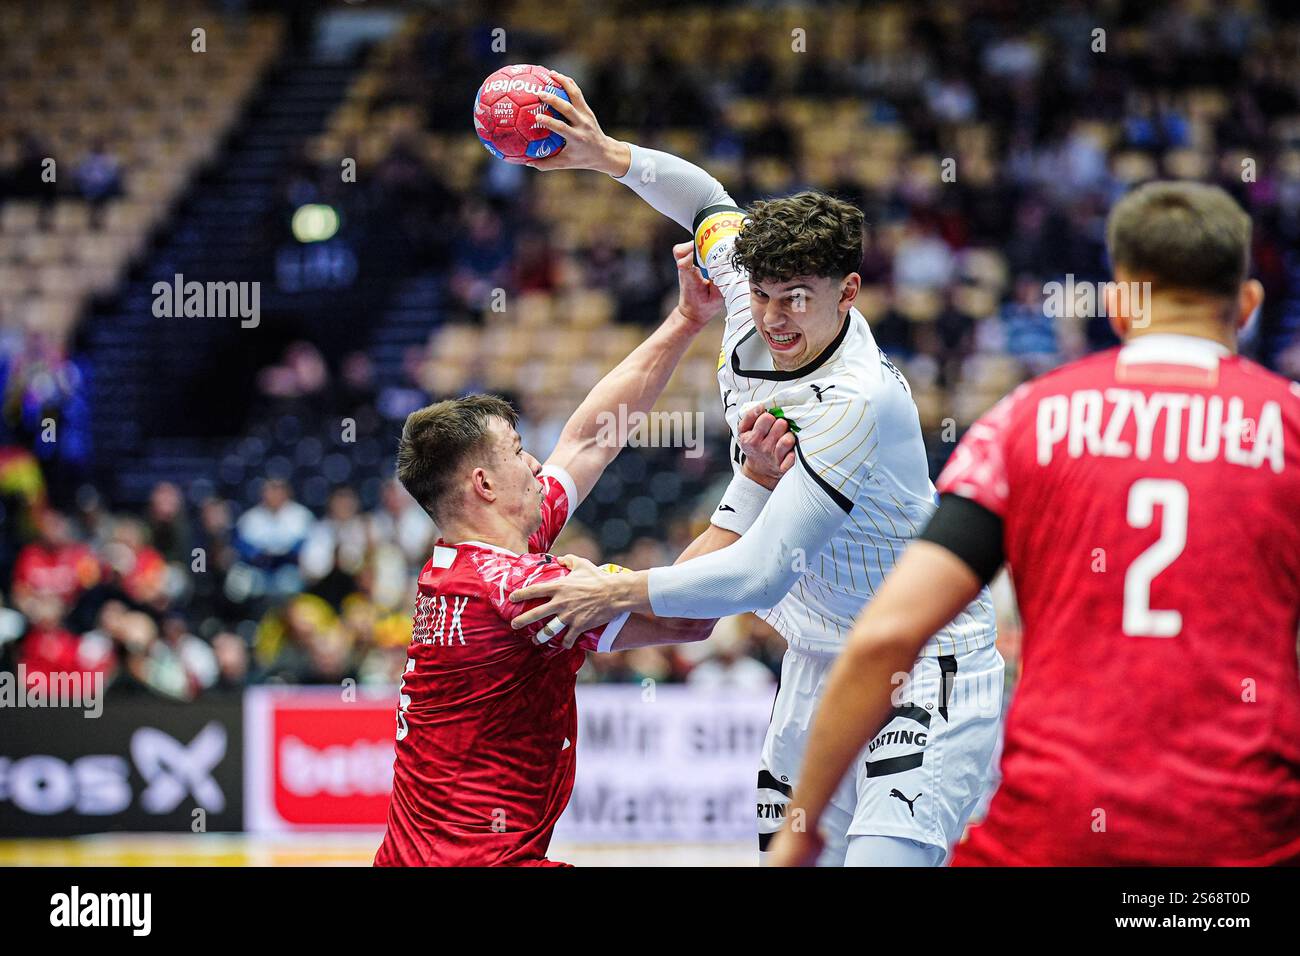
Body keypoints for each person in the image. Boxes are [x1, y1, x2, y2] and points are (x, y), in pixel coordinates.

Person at [508, 73, 1002, 867]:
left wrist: (615, 588)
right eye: (765, 295)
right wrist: (606, 156)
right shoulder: (747, 287)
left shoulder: (853, 400)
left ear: (848, 292)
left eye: (797, 299)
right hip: (817, 662)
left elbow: (763, 573)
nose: (775, 318)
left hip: (922, 657)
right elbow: (705, 200)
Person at [767, 182, 1300, 866]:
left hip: (1054, 830)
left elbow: (889, 635)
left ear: (1118, 302)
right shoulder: (1288, 426)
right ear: (1249, 304)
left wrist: (802, 828)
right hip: (1244, 835)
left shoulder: (1029, 418)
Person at [375, 242, 787, 867]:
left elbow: (593, 437)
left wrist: (685, 320)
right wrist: (753, 482)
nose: (536, 461)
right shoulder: (519, 592)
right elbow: (688, 616)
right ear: (483, 485)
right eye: (517, 451)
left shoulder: (470, 561)